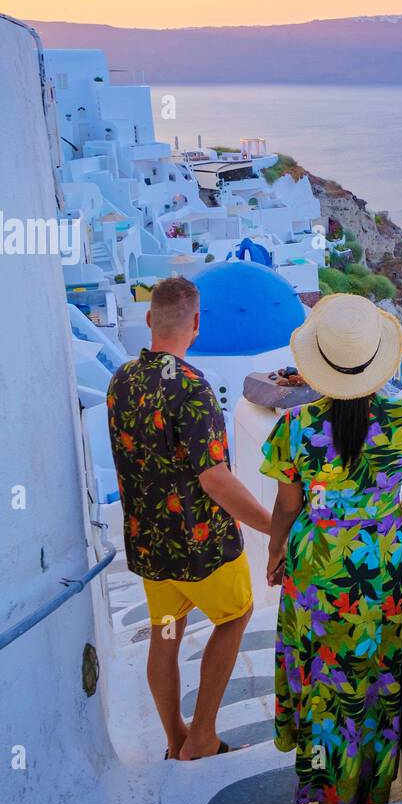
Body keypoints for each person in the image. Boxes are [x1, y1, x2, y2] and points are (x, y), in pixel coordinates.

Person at [260, 293, 402, 804]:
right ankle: (369, 788)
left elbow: (285, 507)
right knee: (374, 677)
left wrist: (275, 552)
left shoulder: (295, 428)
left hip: (314, 564)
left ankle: (318, 788)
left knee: (322, 676)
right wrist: (385, 519)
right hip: (379, 569)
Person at [107, 275, 273, 760]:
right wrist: (272, 525)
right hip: (203, 549)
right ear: (196, 324)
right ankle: (201, 737)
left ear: (148, 320)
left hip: (149, 546)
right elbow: (215, 479)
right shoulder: (192, 387)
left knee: (166, 632)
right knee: (236, 614)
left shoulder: (121, 381)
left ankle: (174, 737)